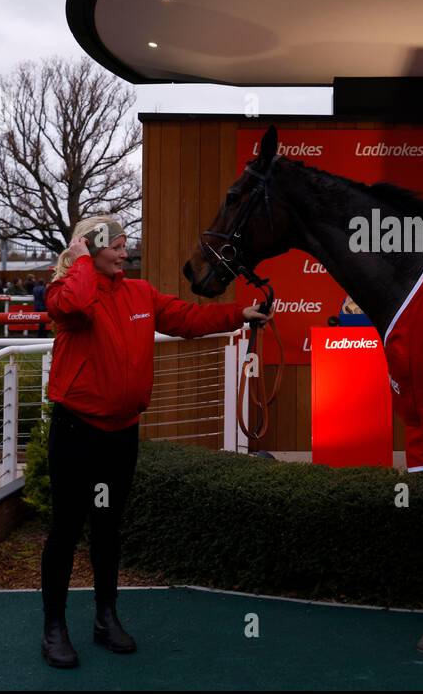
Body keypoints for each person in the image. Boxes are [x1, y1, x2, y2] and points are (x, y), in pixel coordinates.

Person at [39, 215, 270, 669]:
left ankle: (106, 619)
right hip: (75, 431)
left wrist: (237, 315)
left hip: (120, 434)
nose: (126, 250)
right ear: (92, 248)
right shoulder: (65, 293)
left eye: (127, 243)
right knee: (66, 531)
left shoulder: (139, 294)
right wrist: (82, 260)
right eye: (117, 244)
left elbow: (186, 319)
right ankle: (54, 628)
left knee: (108, 527)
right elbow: (78, 305)